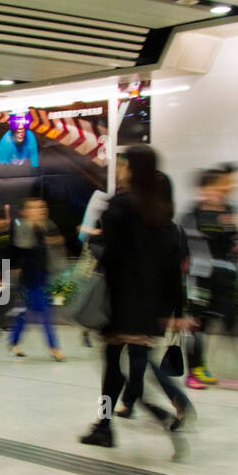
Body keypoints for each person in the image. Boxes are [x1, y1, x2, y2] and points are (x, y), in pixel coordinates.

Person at [79, 145, 193, 448]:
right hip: (151, 304)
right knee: (137, 362)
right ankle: (148, 410)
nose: (122, 170)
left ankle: (107, 423)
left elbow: (111, 255)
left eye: (125, 165)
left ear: (133, 169)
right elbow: (174, 267)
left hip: (120, 300)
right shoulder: (164, 215)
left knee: (112, 369)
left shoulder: (120, 207)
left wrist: (96, 242)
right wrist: (175, 310)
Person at [182, 169, 238, 388]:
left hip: (223, 276)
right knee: (197, 323)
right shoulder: (192, 215)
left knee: (222, 318)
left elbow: (231, 239)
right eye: (212, 188)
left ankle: (204, 367)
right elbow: (189, 240)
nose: (217, 193)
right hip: (199, 276)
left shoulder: (229, 211)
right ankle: (194, 371)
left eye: (219, 189)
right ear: (202, 190)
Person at [7, 197, 65, 360]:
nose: (40, 210)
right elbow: (16, 250)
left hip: (45, 275)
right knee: (44, 313)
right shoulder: (20, 226)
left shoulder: (48, 226)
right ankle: (54, 348)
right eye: (34, 207)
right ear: (25, 211)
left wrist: (54, 241)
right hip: (28, 278)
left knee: (23, 313)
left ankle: (13, 341)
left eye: (42, 207)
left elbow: (55, 246)